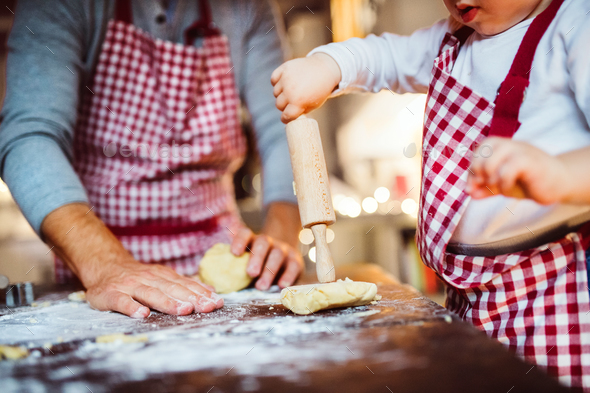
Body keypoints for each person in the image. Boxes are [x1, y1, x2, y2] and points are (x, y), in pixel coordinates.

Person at [271, 0, 590, 389]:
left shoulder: (576, 24)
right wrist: (328, 65)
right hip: (466, 298)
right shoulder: (453, 39)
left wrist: (560, 173)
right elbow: (385, 57)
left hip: (549, 293)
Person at [0, 0, 303, 319]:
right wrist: (106, 263)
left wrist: (279, 240)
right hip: (101, 273)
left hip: (227, 274)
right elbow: (29, 136)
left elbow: (283, 131)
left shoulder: (248, 8)